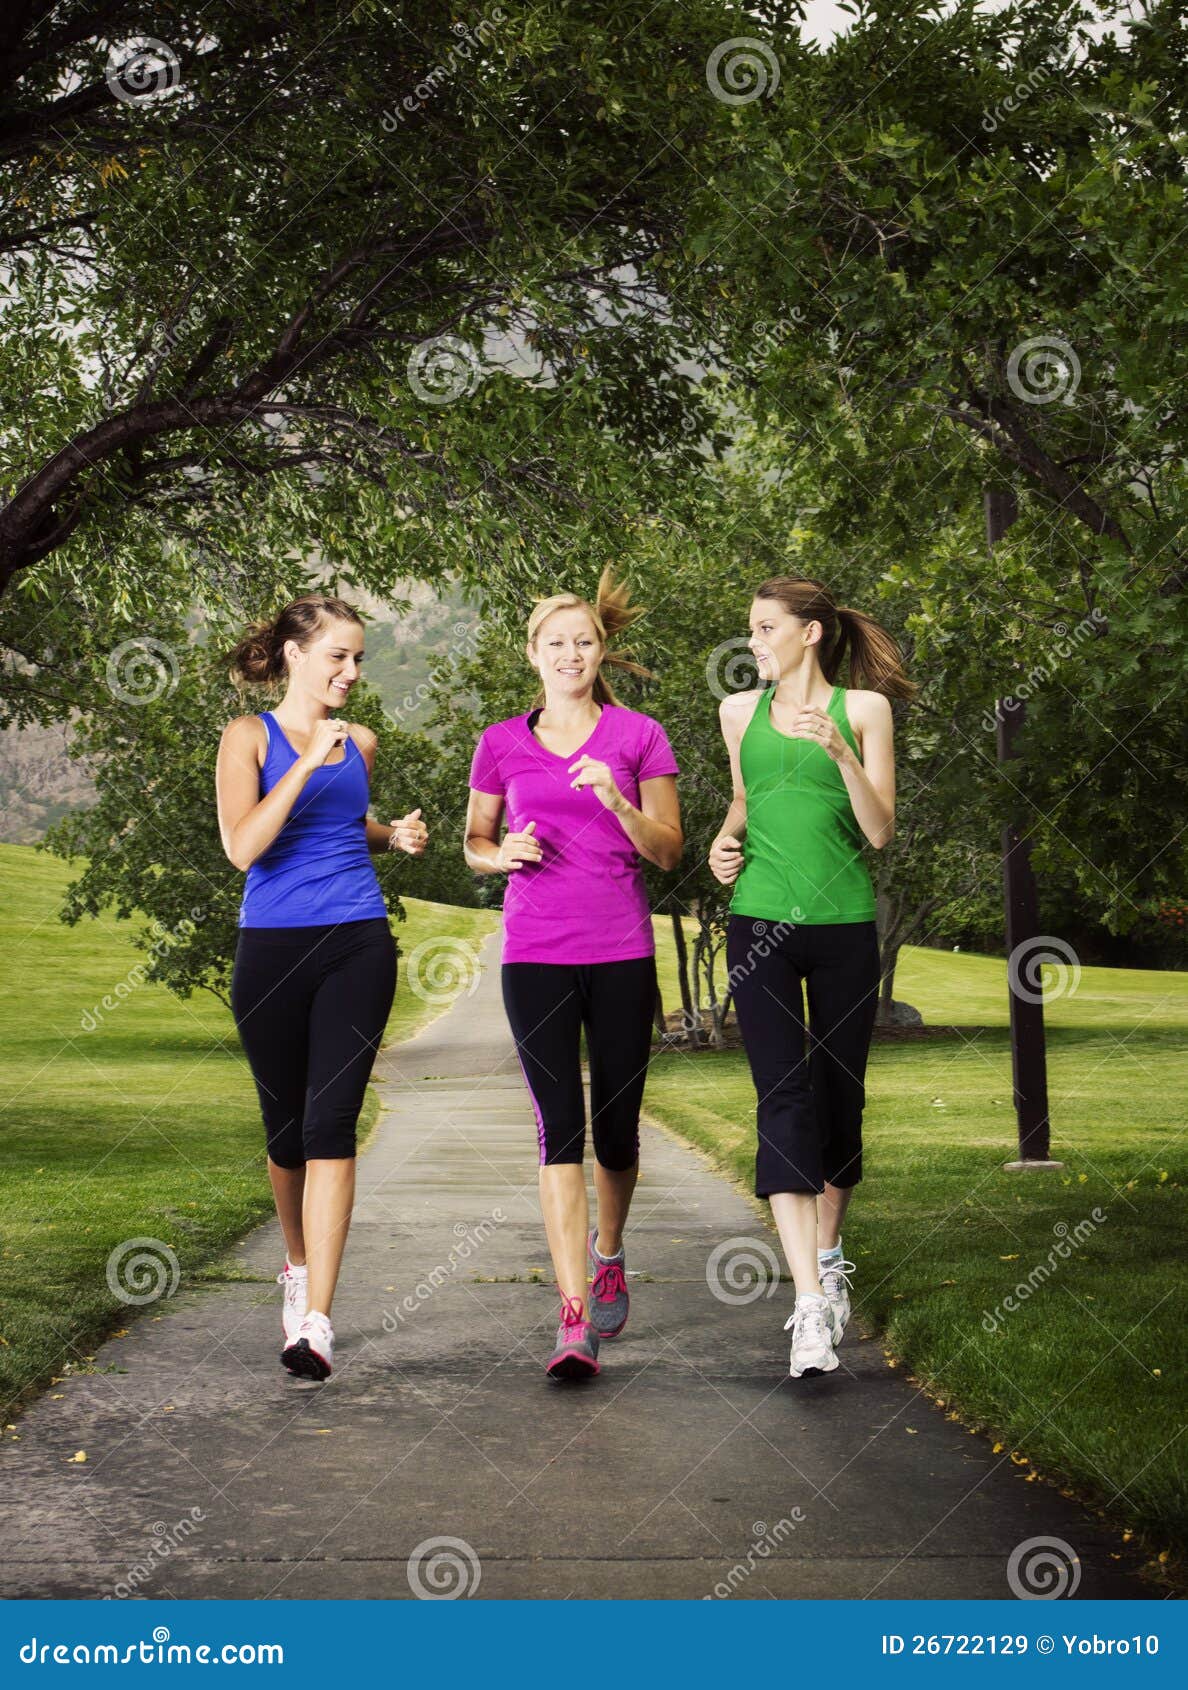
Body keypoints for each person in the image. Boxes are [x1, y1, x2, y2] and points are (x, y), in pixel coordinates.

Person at [464, 568, 683, 1381]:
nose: (570, 653)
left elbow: (669, 850)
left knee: (617, 1131)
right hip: (535, 955)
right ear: (532, 653)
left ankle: (610, 1251)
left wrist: (618, 805)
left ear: (602, 651)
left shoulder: (639, 737)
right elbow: (474, 842)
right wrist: (499, 858)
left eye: (583, 641)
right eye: (555, 642)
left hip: (620, 951)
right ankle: (572, 1317)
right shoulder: (500, 742)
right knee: (560, 1129)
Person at [216, 593, 428, 1380]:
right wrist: (304, 761)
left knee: (331, 1124)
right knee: (286, 1131)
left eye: (359, 658)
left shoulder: (360, 743)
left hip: (357, 943)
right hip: (271, 948)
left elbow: (342, 825)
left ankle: (316, 1322)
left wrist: (391, 834)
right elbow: (245, 846)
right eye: (338, 655)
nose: (350, 671)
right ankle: (296, 1262)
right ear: (296, 655)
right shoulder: (248, 736)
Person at [709, 576, 912, 1378]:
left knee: (839, 1095)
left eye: (765, 628)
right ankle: (808, 1305)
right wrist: (726, 844)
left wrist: (838, 752)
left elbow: (881, 830)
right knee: (781, 1096)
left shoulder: (864, 712)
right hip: (760, 920)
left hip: (843, 930)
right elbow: (745, 800)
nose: (753, 642)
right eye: (752, 629)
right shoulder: (738, 713)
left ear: (811, 633)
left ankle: (828, 1257)